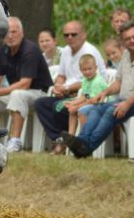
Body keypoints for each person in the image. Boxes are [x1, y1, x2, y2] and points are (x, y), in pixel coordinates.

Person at [61, 22, 134, 158]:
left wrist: (127, 104)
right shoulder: (126, 55)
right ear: (123, 42)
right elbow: (118, 82)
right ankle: (81, 141)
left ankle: (87, 147)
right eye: (128, 39)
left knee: (111, 111)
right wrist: (104, 93)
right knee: (97, 108)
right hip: (124, 99)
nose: (132, 41)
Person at [33, 20, 107, 150]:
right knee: (40, 104)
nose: (70, 37)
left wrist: (67, 88)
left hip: (87, 96)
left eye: (73, 34)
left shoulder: (89, 51)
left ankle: (65, 141)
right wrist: (58, 86)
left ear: (83, 35)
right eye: (66, 35)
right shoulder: (66, 51)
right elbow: (61, 75)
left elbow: (90, 81)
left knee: (58, 106)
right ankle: (58, 138)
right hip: (68, 93)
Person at [0, 17, 54, 153]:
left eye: (14, 32)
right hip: (18, 94)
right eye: (7, 32)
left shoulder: (30, 50)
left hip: (40, 94)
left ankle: (15, 141)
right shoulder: (2, 52)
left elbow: (25, 84)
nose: (10, 36)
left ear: (22, 33)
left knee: (17, 94)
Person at [58, 54, 110, 150]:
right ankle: (70, 137)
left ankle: (84, 139)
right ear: (80, 70)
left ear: (96, 68)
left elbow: (93, 100)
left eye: (90, 69)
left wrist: (77, 107)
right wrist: (73, 103)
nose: (87, 72)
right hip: (92, 102)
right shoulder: (85, 80)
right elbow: (85, 96)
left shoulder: (97, 81)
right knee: (71, 110)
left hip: (102, 104)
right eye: (84, 70)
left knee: (81, 110)